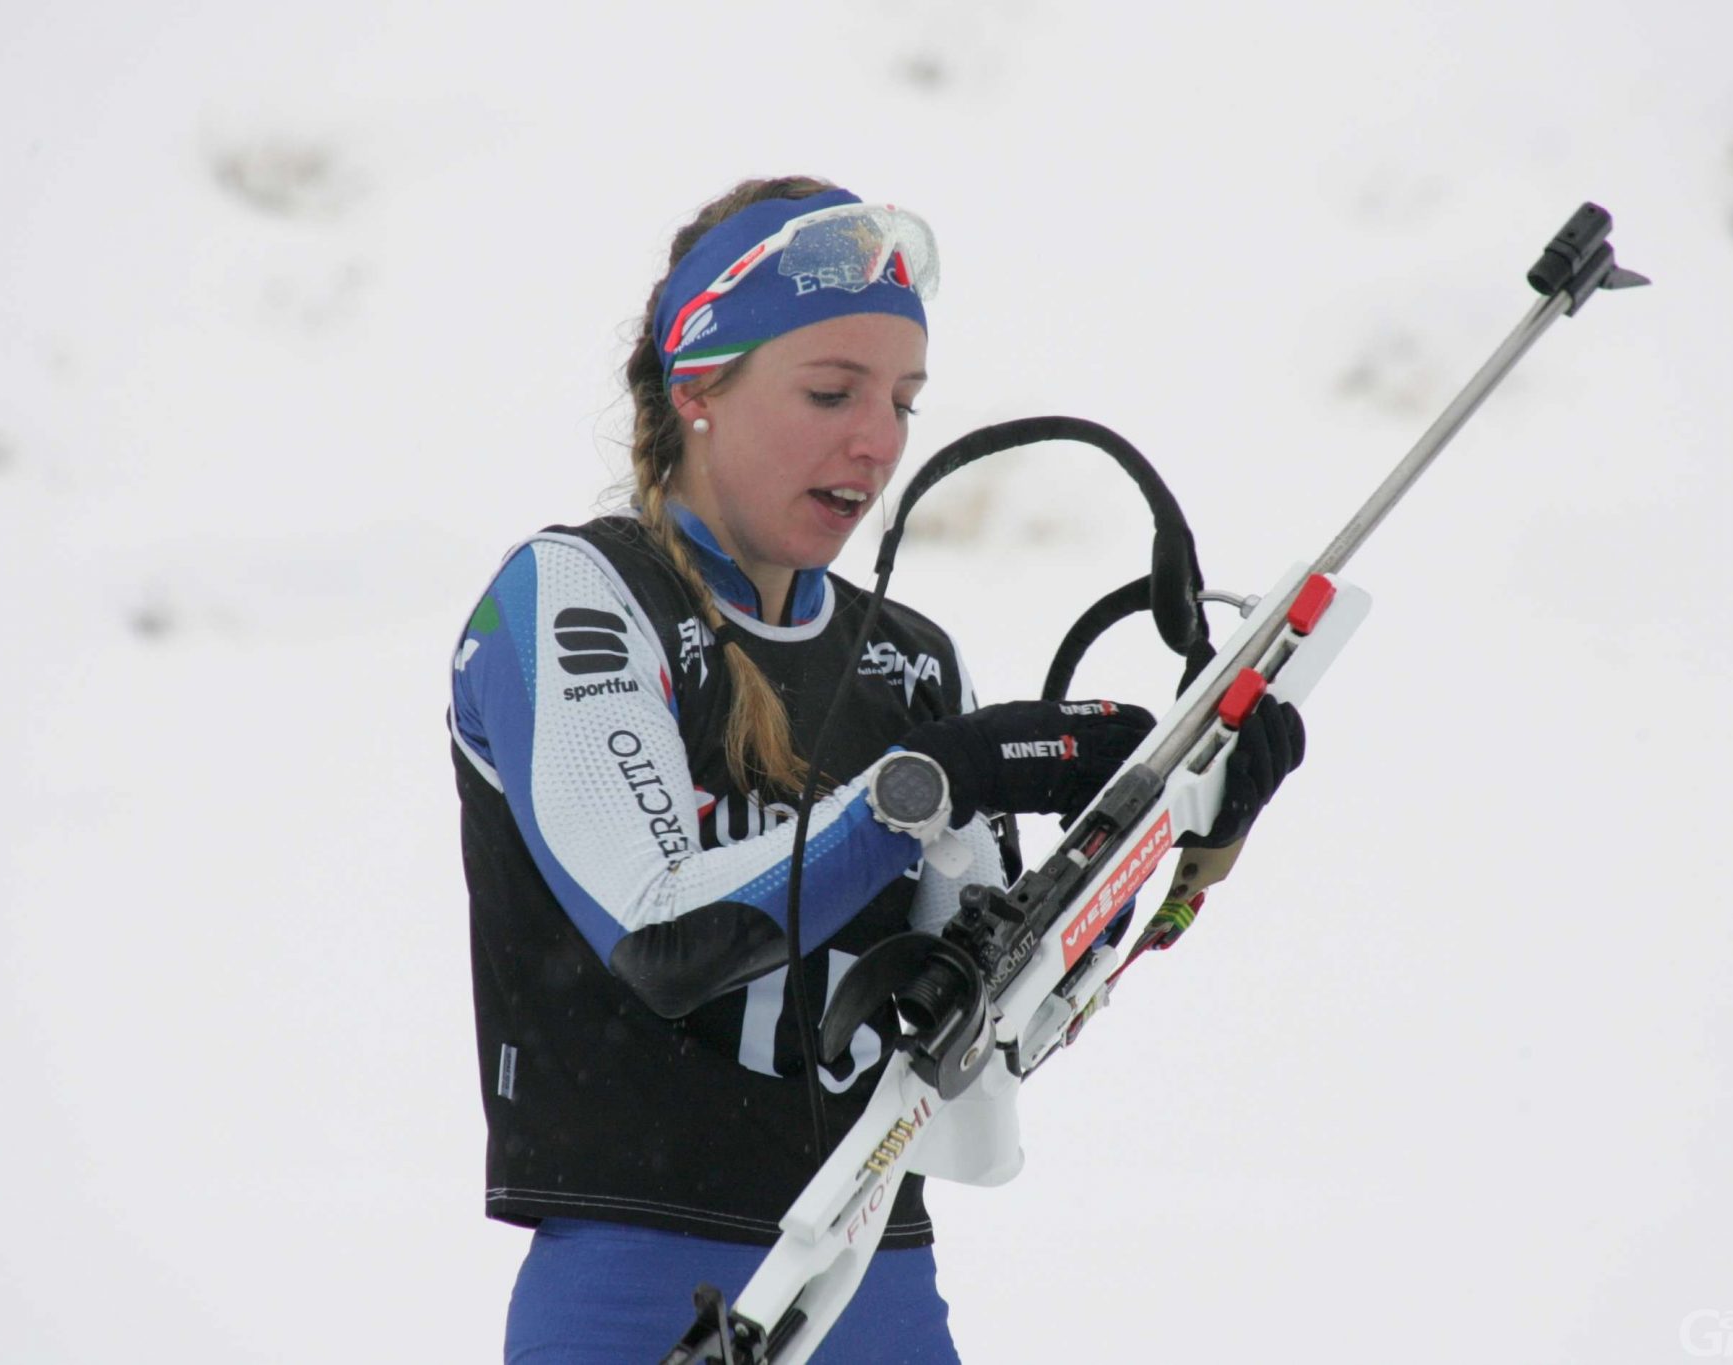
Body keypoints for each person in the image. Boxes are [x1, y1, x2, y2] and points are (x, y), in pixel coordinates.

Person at [448, 176, 1305, 1363]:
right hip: (637, 1279)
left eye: (902, 401)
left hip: (870, 1277)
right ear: (697, 387)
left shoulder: (905, 661)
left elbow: (1002, 1010)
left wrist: (1188, 837)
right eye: (828, 393)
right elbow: (661, 938)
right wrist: (932, 778)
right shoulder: (576, 598)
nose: (877, 442)